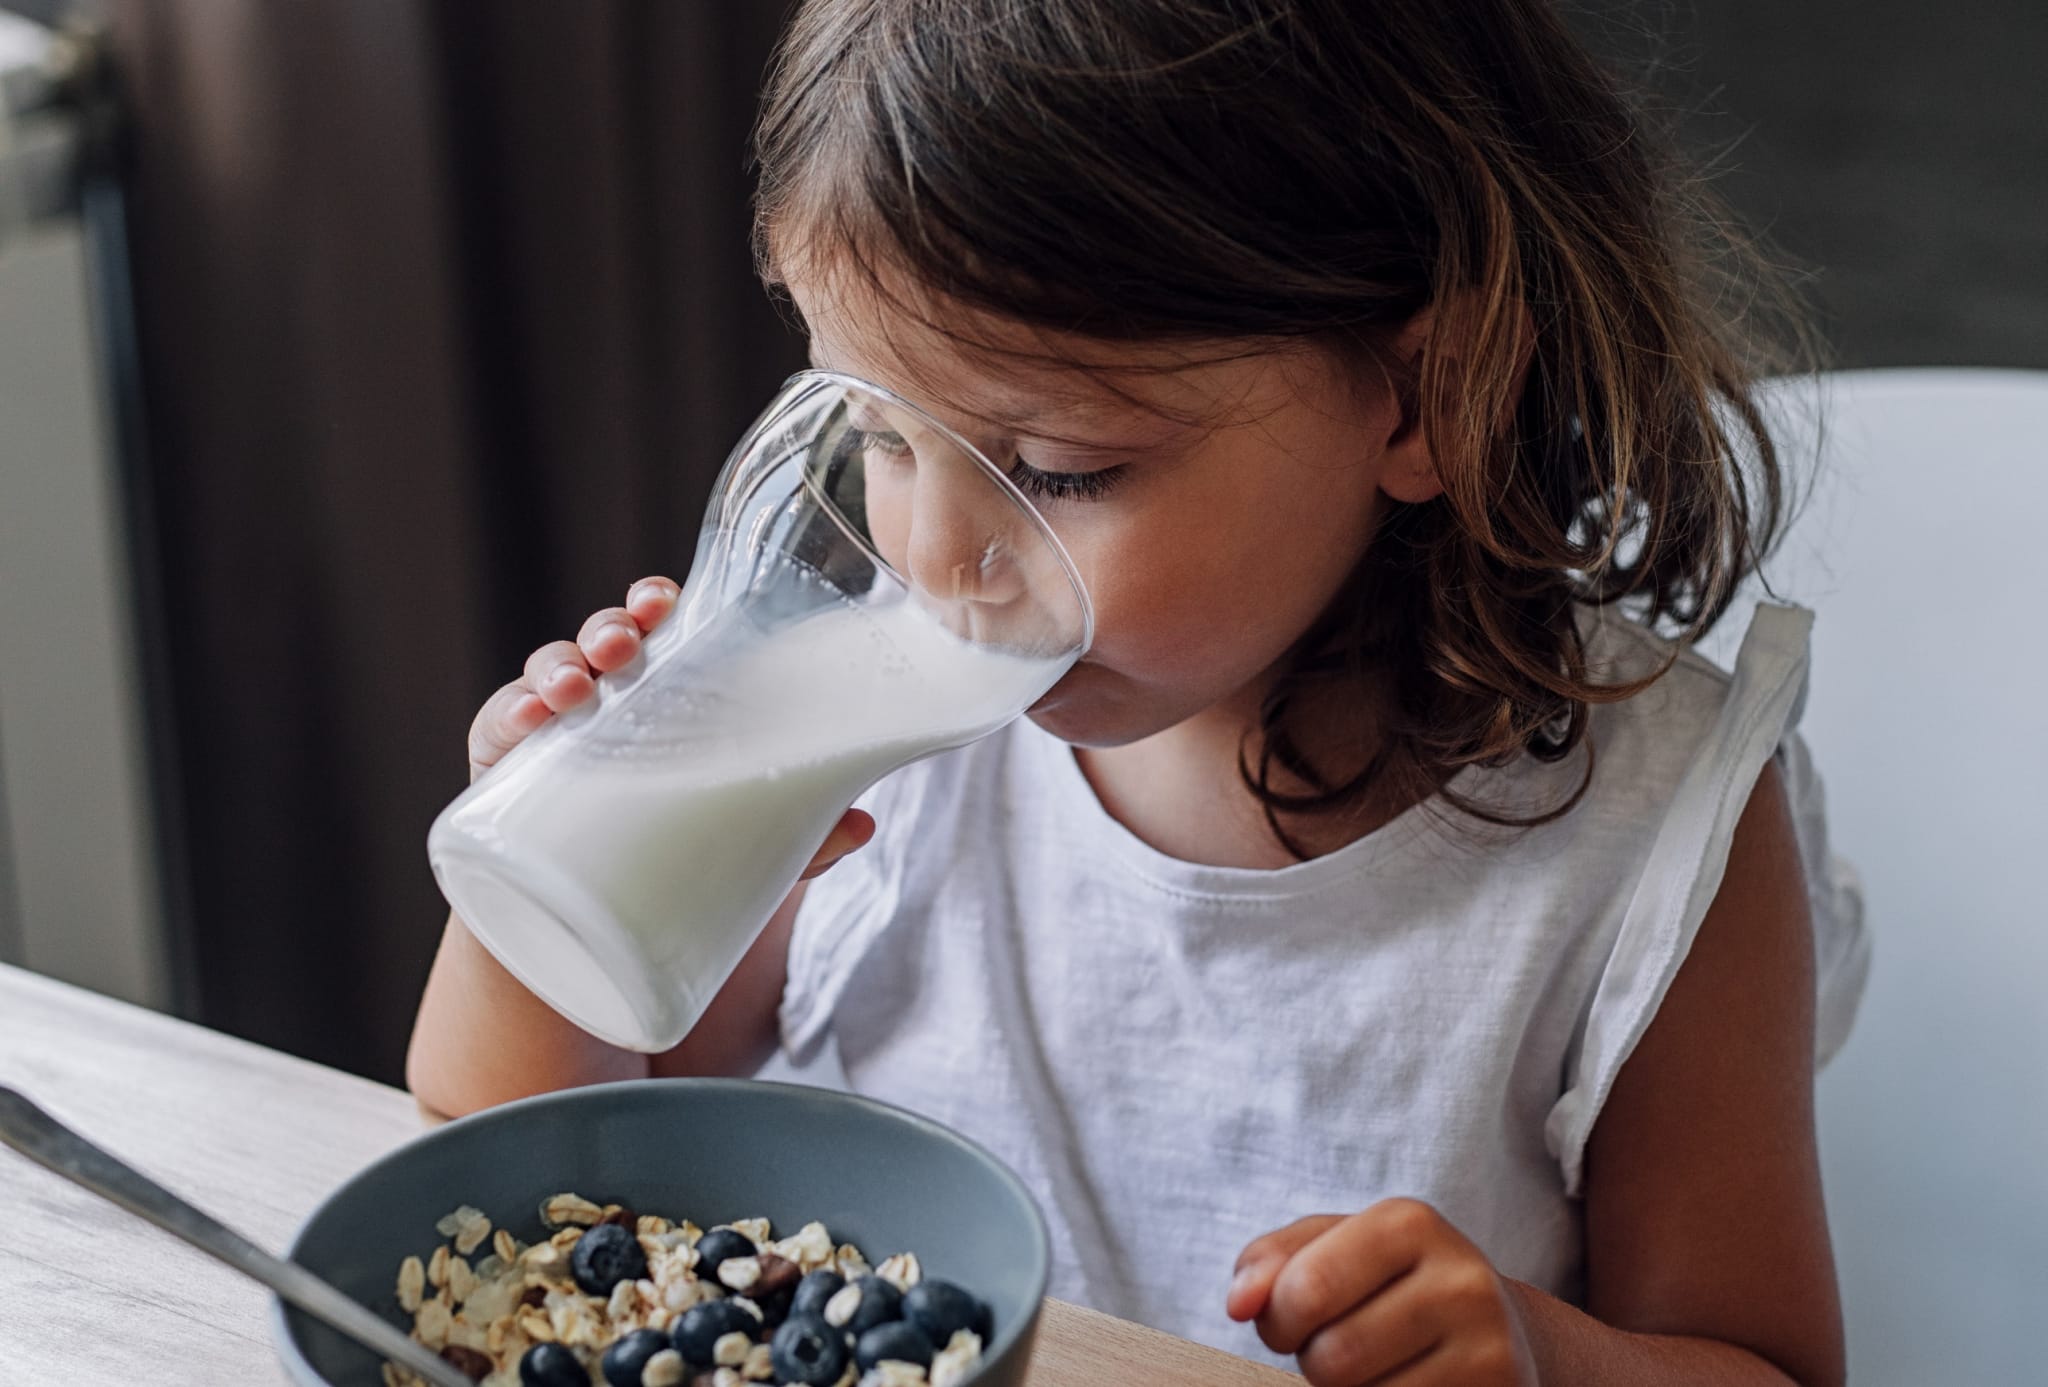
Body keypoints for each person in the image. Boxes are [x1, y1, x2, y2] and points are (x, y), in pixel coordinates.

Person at [410, 2, 1869, 1382]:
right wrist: (558, 857)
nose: (937, 561)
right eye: (880, 433)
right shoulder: (863, 719)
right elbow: (508, 1146)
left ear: (1434, 393)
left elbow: (1765, 1364)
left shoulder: (1657, 838)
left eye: (1056, 472)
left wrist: (1545, 1358)